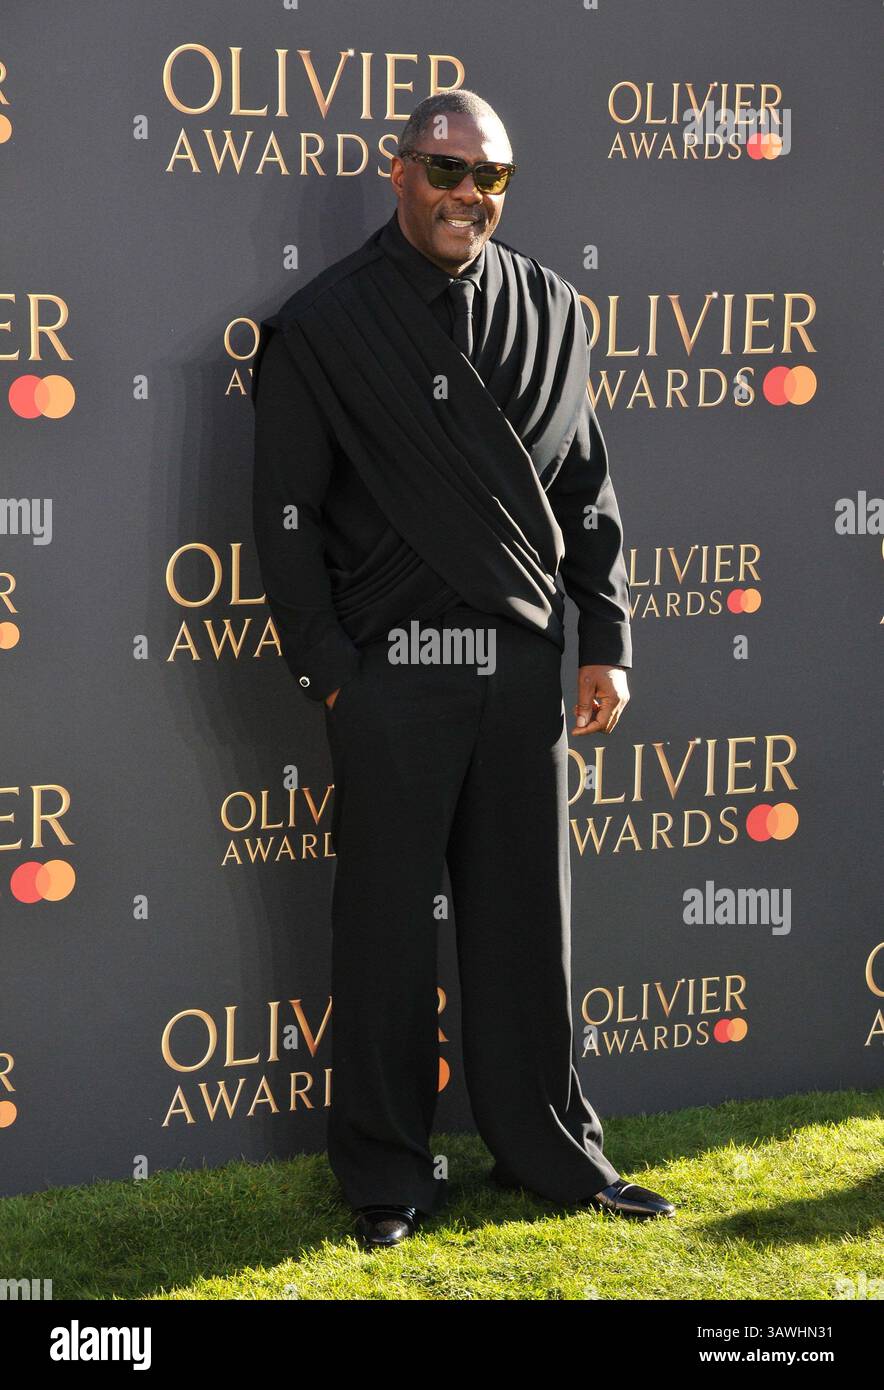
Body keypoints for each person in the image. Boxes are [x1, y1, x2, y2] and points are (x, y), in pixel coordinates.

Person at [251, 89, 675, 1249]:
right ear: (398, 173)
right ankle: (385, 1174)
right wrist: (333, 667)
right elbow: (284, 518)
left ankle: (548, 1151)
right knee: (384, 929)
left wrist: (607, 639)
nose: (466, 195)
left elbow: (587, 493)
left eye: (490, 176)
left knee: (524, 925)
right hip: (389, 674)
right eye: (445, 169)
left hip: (521, 667)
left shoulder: (551, 308)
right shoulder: (325, 323)